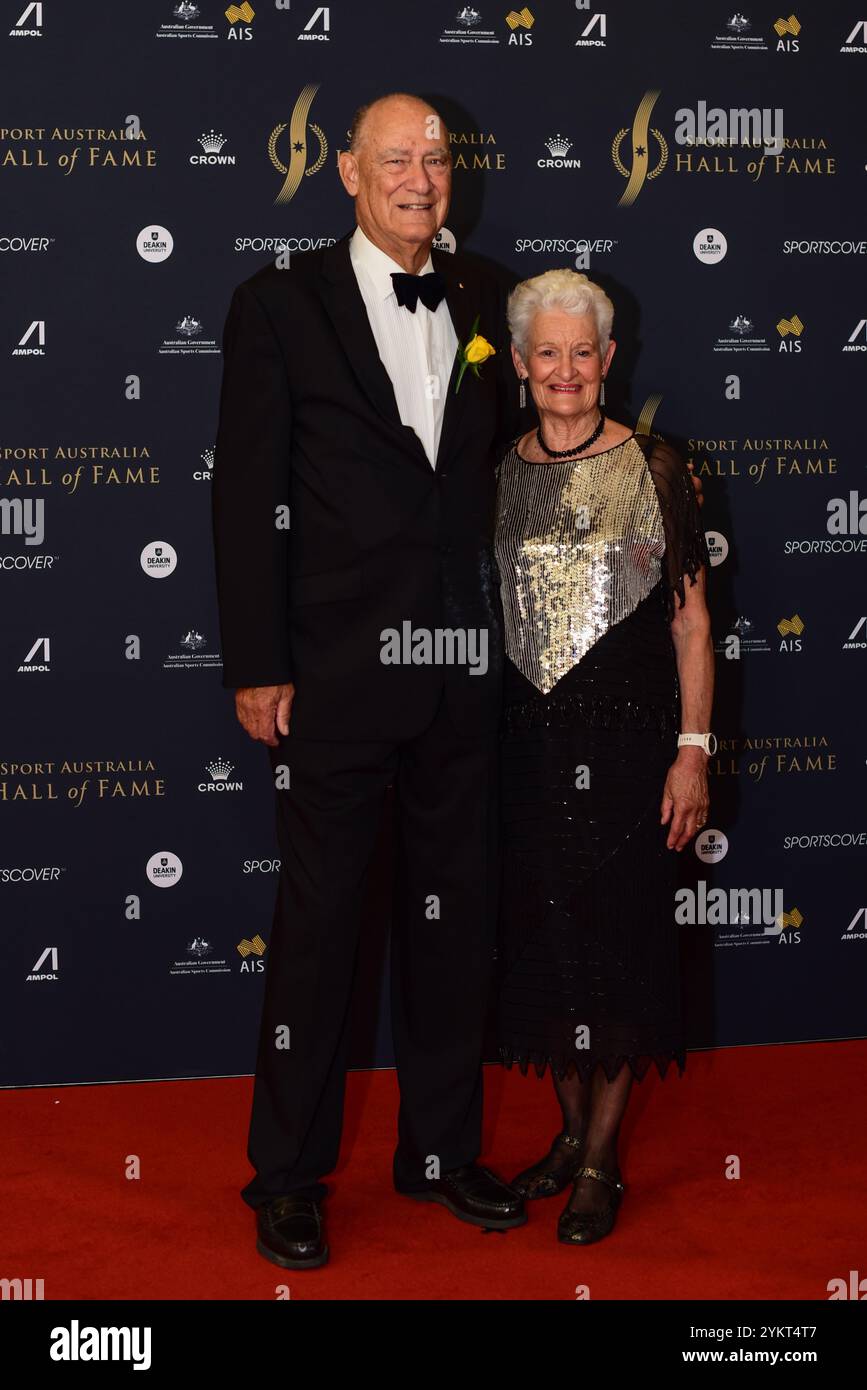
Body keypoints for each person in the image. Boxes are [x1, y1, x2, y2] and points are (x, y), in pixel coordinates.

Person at [211, 92, 527, 1270]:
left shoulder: (492, 296)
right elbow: (246, 499)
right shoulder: (277, 306)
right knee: (320, 933)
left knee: (454, 928)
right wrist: (256, 662)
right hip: (335, 676)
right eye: (396, 158)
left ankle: (439, 1156)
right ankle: (287, 1174)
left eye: (437, 159)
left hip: (461, 675)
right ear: (346, 170)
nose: (419, 177)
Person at [494, 268, 714, 1245]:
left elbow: (693, 625)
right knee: (552, 950)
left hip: (630, 752)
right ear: (520, 363)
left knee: (618, 952)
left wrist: (692, 754)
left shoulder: (661, 467)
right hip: (531, 751)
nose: (567, 370)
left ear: (610, 360)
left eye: (584, 352)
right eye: (548, 352)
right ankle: (569, 1130)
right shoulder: (500, 471)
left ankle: (598, 1163)